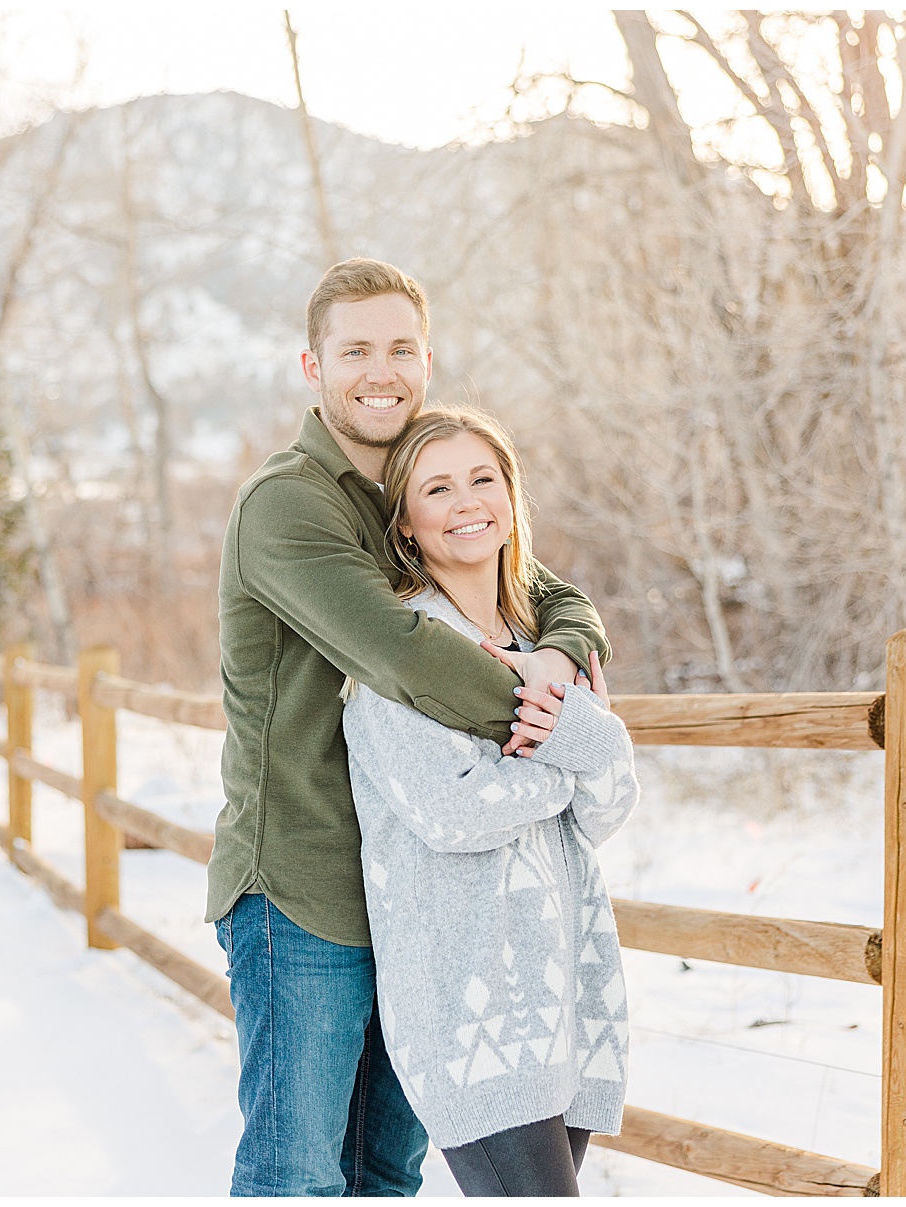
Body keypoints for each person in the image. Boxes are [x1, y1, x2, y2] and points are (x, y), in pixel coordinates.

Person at [210, 258, 611, 1196]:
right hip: (303, 888)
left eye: (399, 347)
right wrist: (562, 727)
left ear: (426, 358)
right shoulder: (288, 503)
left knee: (385, 1171)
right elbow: (403, 655)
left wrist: (565, 648)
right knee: (295, 1174)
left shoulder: (420, 492)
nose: (378, 369)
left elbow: (549, 589)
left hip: (417, 902)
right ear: (312, 367)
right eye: (354, 350)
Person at [343, 408, 639, 1197]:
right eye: (437, 488)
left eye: (483, 478)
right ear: (405, 525)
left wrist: (592, 743)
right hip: (467, 1001)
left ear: (511, 495)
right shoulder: (396, 652)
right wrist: (571, 759)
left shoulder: (546, 638)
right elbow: (451, 813)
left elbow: (607, 809)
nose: (467, 500)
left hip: (564, 989)